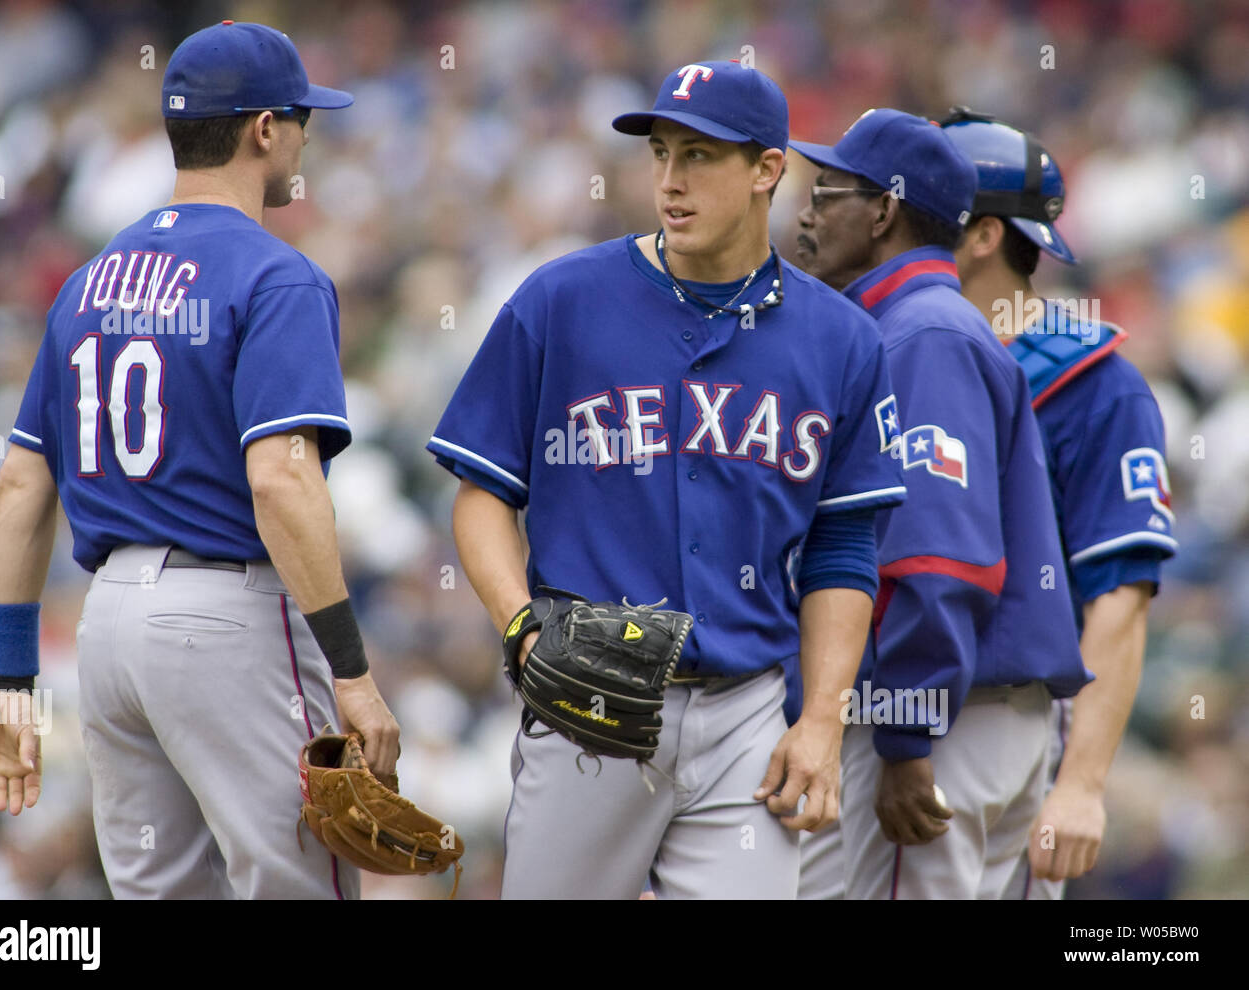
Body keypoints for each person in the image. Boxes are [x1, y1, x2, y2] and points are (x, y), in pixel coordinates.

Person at [427, 60, 905, 899]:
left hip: (746, 711)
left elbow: (842, 548)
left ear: (768, 169)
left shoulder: (841, 339)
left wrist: (823, 718)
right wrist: (519, 631)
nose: (672, 181)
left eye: (700, 156)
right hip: (588, 701)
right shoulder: (561, 300)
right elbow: (483, 495)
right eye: (661, 154)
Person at [0, 20, 399, 900]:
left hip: (109, 628)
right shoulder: (276, 276)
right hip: (225, 618)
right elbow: (281, 480)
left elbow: (20, 484)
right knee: (297, 885)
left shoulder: (87, 281)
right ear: (264, 129)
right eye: (299, 118)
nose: (305, 136)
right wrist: (353, 673)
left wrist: (7, 683)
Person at [789, 108, 1091, 899]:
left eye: (826, 192)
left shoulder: (920, 335)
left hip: (941, 721)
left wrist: (905, 738)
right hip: (973, 710)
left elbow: (935, 560)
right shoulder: (923, 324)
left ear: (883, 211)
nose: (806, 213)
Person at [941, 107, 1178, 897]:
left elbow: (1121, 599)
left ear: (980, 235)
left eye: (912, 209)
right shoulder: (872, 347)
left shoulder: (1097, 385)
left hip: (1010, 722)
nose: (884, 225)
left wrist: (1080, 786)